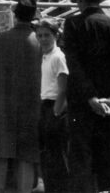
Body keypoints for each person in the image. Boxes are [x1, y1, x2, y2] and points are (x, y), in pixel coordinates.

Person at [62, 0, 110, 193]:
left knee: (81, 162)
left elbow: (74, 65)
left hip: (82, 105)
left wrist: (90, 97)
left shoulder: (73, 24)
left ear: (81, 0)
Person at [0, 0, 41, 193]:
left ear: (16, 15)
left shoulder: (1, 39)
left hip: (3, 104)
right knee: (26, 156)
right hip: (31, 106)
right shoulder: (39, 41)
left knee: (0, 154)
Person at [36, 17, 69, 193]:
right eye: (39, 35)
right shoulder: (44, 56)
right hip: (45, 107)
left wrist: (56, 112)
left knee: (57, 157)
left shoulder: (58, 57)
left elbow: (63, 88)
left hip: (55, 108)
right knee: (47, 157)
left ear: (55, 35)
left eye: (47, 35)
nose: (43, 39)